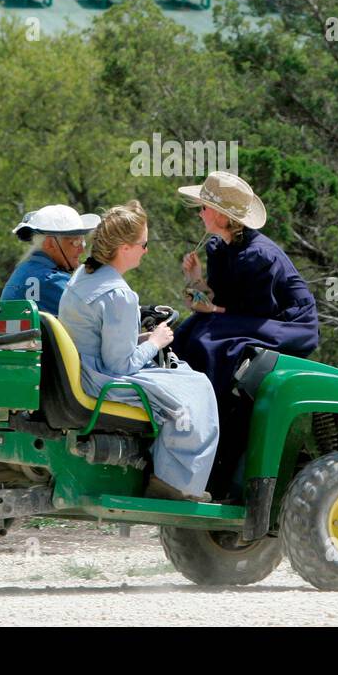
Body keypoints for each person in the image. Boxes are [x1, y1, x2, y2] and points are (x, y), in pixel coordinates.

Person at [58, 200, 219, 503]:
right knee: (197, 389)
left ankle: (169, 474)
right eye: (143, 244)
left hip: (85, 369)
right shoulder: (119, 294)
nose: (146, 250)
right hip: (101, 382)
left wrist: (143, 337)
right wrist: (155, 342)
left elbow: (101, 336)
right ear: (125, 248)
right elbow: (120, 367)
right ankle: (172, 483)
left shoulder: (83, 275)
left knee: (185, 376)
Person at [172, 172, 320, 497]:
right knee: (189, 330)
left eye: (204, 208)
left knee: (210, 338)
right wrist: (195, 278)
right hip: (246, 318)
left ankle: (211, 420)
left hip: (288, 324)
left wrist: (210, 311)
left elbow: (249, 313)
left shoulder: (258, 257)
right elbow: (213, 303)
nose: (200, 213)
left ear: (223, 216)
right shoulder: (219, 247)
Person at [0, 204, 100, 315]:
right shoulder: (50, 280)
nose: (81, 250)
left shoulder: (25, 271)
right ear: (50, 244)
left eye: (83, 242)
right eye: (76, 242)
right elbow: (98, 315)